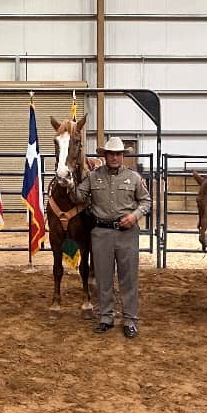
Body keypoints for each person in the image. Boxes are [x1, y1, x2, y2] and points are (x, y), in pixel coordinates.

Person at [70, 137, 151, 338]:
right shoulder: (93, 177)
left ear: (123, 155)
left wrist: (135, 216)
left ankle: (130, 319)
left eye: (118, 153)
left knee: (128, 277)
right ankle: (106, 317)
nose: (114, 157)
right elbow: (78, 197)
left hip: (127, 234)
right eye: (111, 153)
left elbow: (146, 201)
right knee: (103, 278)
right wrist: (69, 181)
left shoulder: (133, 178)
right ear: (104, 156)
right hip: (101, 233)